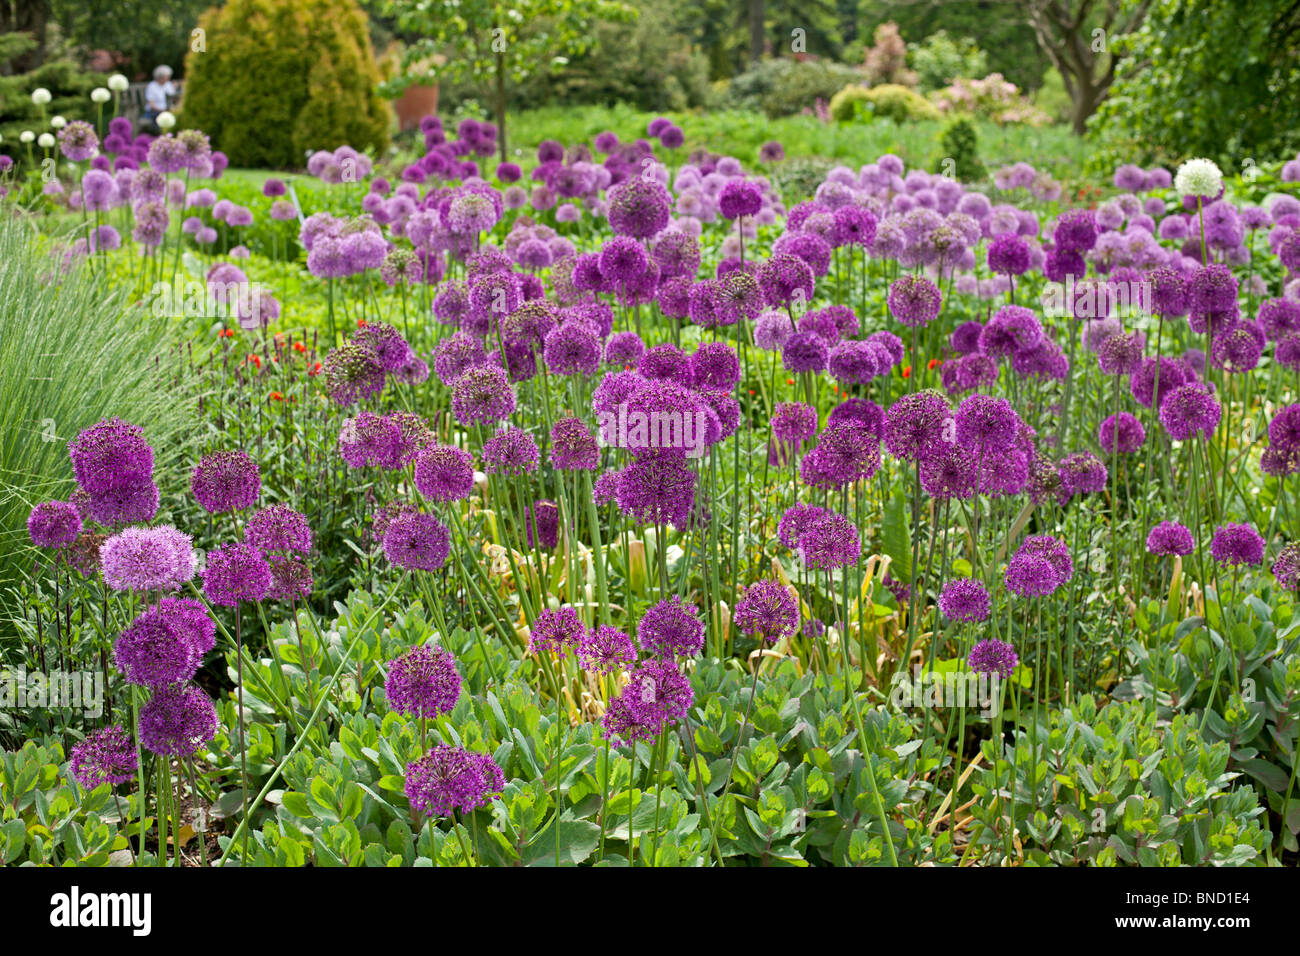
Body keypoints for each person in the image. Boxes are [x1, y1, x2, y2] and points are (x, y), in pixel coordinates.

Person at [142, 65, 175, 133]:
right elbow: (152, 105)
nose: (168, 78)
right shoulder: (152, 86)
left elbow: (173, 98)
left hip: (168, 110)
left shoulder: (168, 84)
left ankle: (171, 133)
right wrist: (163, 110)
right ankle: (160, 134)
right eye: (167, 76)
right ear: (160, 77)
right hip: (155, 111)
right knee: (159, 117)